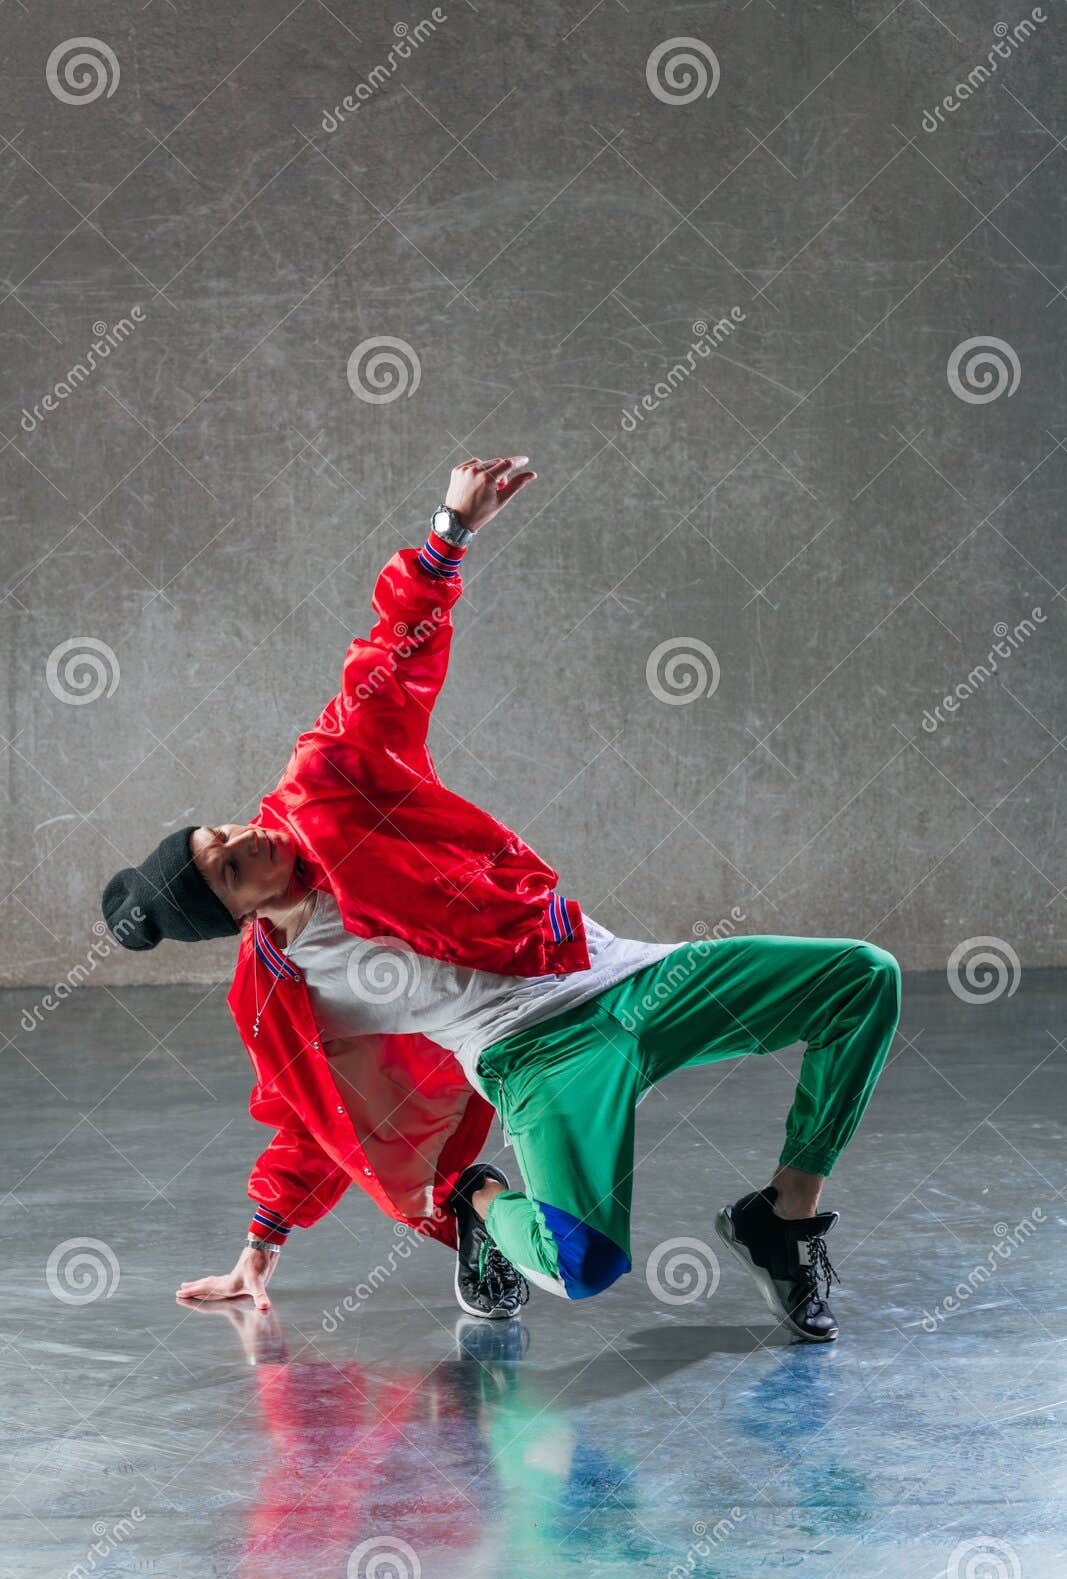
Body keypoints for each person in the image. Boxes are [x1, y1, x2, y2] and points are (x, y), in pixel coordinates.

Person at [101, 455, 901, 1343]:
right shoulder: (282, 991)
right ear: (237, 916)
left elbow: (387, 667)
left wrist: (448, 538)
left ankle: (782, 1220)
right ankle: (481, 1205)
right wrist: (263, 1240)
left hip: (628, 980)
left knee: (861, 979)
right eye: (227, 868)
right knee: (581, 1267)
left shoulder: (327, 787)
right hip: (534, 1059)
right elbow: (308, 1118)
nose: (247, 839)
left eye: (223, 831)